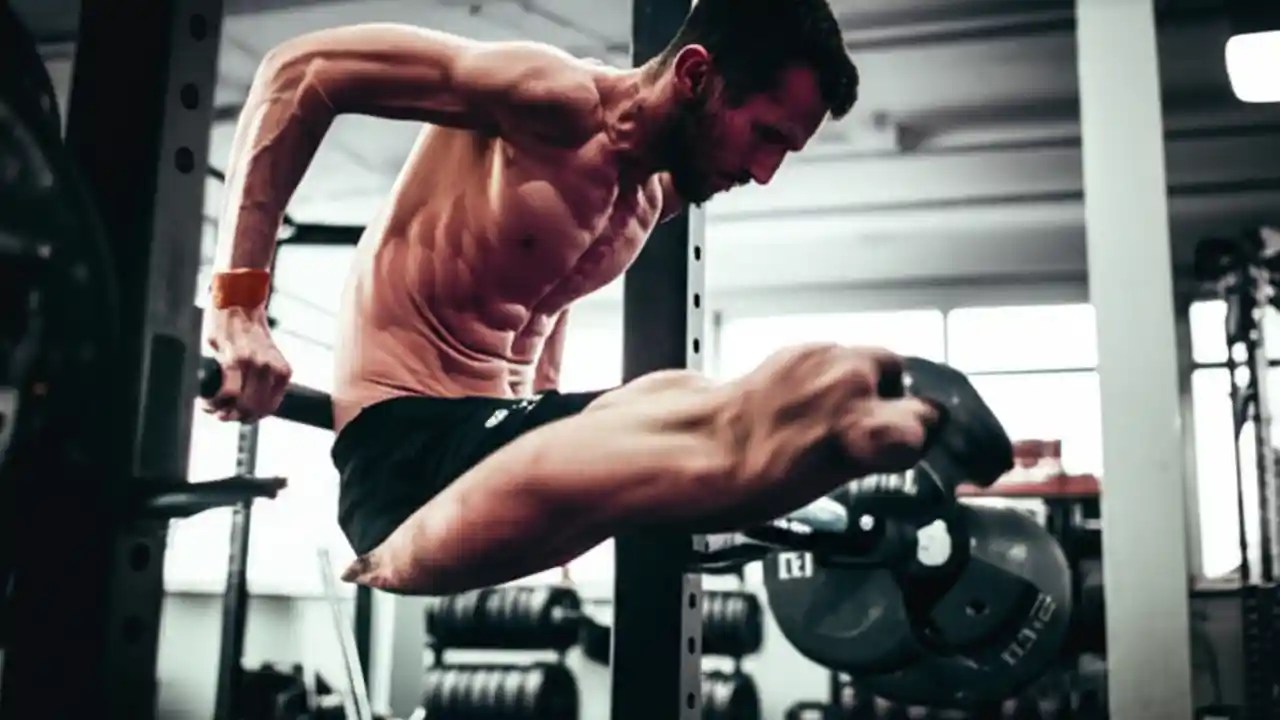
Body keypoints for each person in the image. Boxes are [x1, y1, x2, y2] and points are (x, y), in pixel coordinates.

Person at [202, 0, 941, 595]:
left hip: (485, 457)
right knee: (661, 401)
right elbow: (300, 71)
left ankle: (833, 454)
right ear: (694, 74)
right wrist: (238, 307)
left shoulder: (653, 199)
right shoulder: (547, 99)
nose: (765, 170)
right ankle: (830, 421)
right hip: (402, 453)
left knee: (662, 440)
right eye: (765, 135)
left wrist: (547, 410)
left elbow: (544, 297)